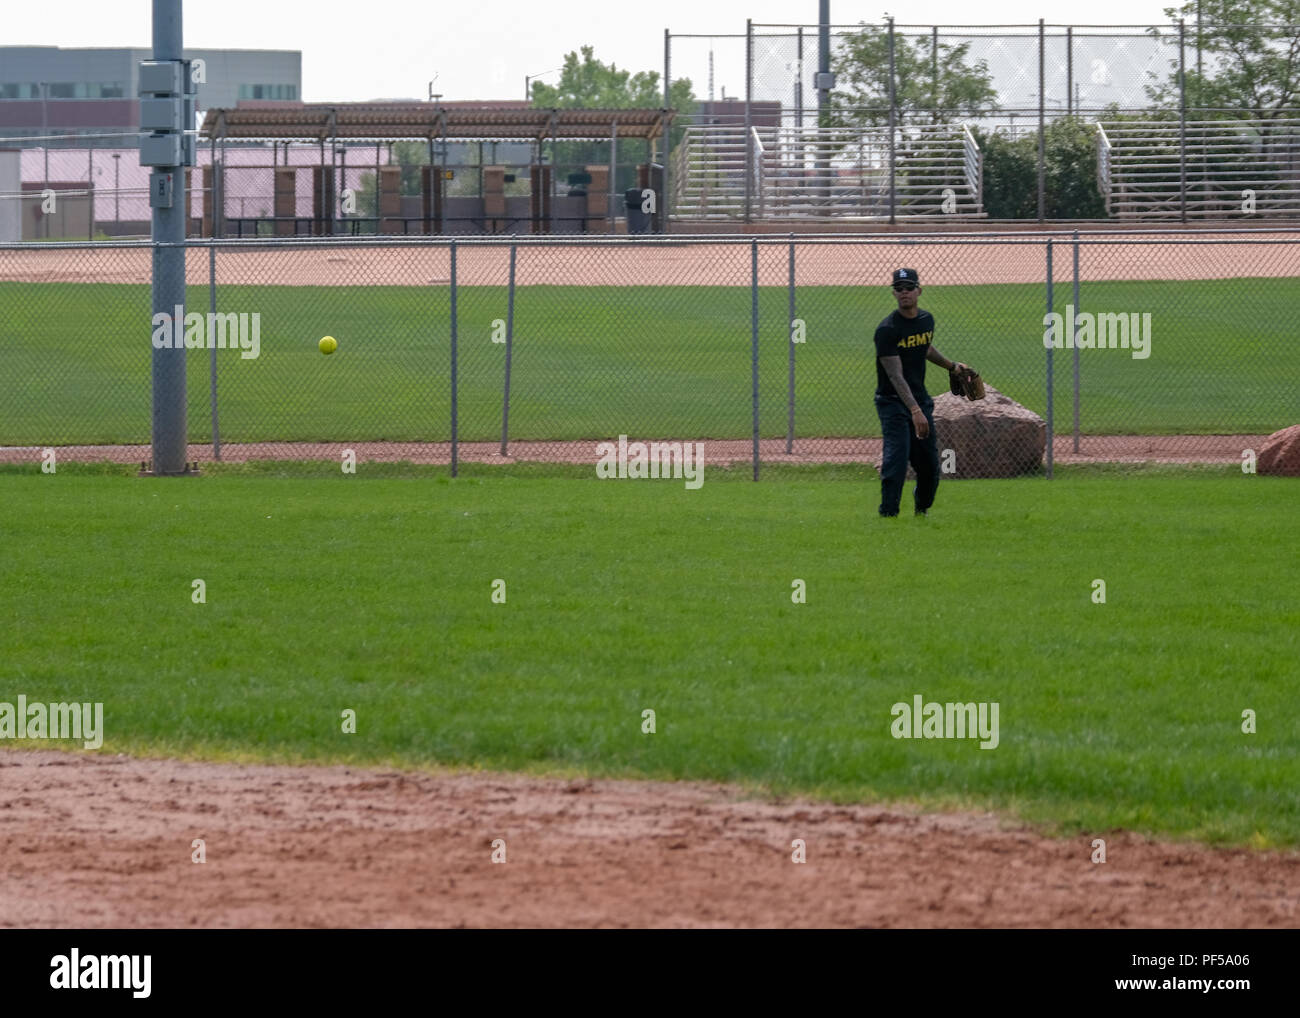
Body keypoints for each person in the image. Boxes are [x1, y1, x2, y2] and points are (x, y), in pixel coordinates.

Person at [873, 268, 972, 517]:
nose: (904, 292)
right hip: (893, 403)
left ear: (919, 290)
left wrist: (953, 366)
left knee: (928, 465)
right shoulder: (887, 330)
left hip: (921, 401)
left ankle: (922, 508)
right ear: (894, 294)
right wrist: (915, 410)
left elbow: (924, 348)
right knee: (896, 461)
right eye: (899, 289)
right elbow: (896, 375)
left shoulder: (926, 320)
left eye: (909, 287)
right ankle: (889, 515)